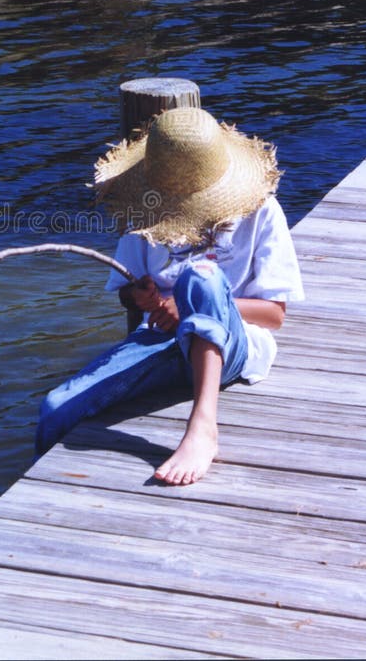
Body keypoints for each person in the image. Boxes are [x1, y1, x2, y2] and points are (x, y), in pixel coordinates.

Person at [36, 106, 304, 485]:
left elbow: (273, 314)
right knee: (54, 409)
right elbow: (126, 297)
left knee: (202, 276)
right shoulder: (141, 213)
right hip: (161, 342)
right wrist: (140, 297)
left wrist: (190, 308)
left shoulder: (261, 210)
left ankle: (203, 425)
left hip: (233, 347)